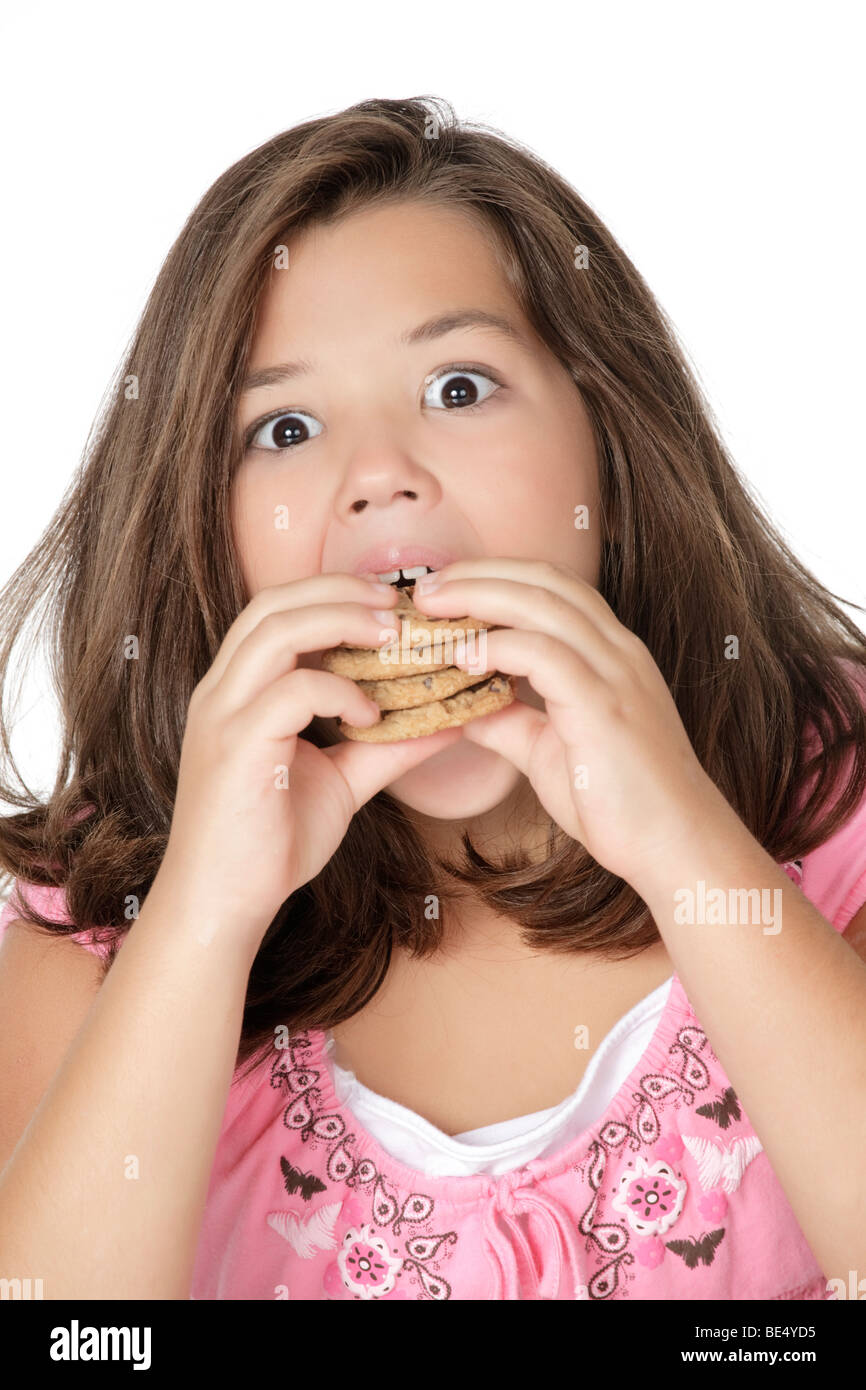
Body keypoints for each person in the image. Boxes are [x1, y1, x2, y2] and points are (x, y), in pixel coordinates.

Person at [1, 95, 865, 1302]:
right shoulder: (97, 936)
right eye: (285, 426)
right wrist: (203, 917)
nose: (378, 476)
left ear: (608, 442)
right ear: (205, 523)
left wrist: (682, 848)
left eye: (458, 387)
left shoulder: (835, 813)